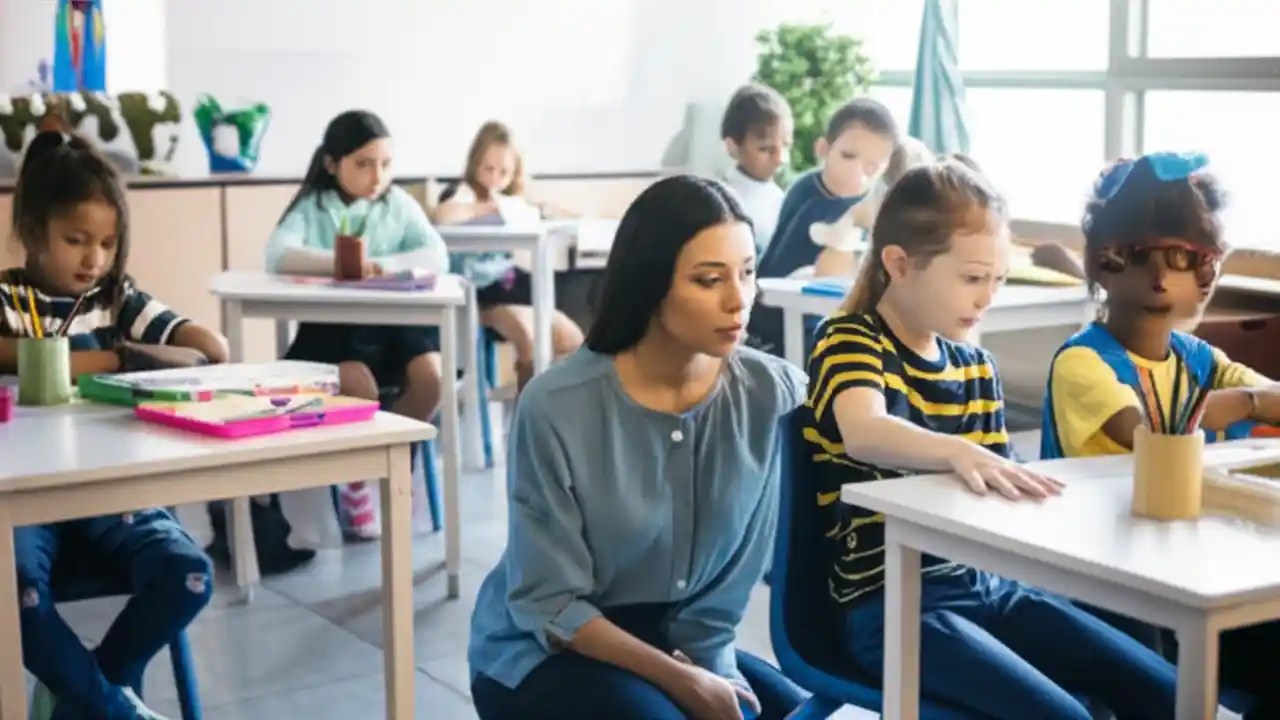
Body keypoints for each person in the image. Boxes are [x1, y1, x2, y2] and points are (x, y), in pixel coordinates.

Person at [803, 156, 1180, 718]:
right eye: (973, 278)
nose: (986, 298)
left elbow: (1004, 495)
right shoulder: (850, 339)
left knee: (1170, 692)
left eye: (997, 280)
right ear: (899, 264)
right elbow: (864, 431)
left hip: (989, 590)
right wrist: (959, 451)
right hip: (891, 606)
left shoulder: (975, 366)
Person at [468, 175, 806, 720]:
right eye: (708, 279)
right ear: (650, 284)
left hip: (690, 642)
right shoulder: (557, 405)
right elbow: (547, 603)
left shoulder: (776, 393)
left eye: (747, 272)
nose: (739, 298)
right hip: (547, 650)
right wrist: (686, 683)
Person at [1042, 151, 1280, 718]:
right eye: (1137, 255)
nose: (1158, 275)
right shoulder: (1082, 362)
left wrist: (1254, 397)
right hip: (1100, 579)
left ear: (1205, 269)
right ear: (1103, 262)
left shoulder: (1199, 358)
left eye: (1180, 258)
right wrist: (1248, 402)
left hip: (1191, 565)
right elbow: (1153, 431)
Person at [0, 130, 221, 720]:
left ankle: (82, 694)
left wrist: (185, 349)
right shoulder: (5, 298)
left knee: (190, 575)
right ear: (31, 232)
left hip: (108, 485)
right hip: (26, 494)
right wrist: (111, 359)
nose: (93, 258)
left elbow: (206, 345)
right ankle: (118, 711)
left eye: (106, 242)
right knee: (11, 596)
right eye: (75, 240)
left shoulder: (114, 296)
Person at [263, 109, 449, 541]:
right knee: (356, 386)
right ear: (333, 163)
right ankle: (359, 481)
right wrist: (343, 265)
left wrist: (382, 265)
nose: (376, 176)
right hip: (334, 330)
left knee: (431, 379)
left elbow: (435, 255)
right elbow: (277, 256)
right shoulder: (314, 207)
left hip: (396, 326)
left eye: (385, 164)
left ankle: (390, 463)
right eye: (363, 164)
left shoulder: (397, 204)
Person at [434, 120, 583, 390]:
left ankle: (554, 409)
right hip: (478, 291)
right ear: (475, 163)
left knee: (571, 339)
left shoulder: (513, 201)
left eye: (503, 173)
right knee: (529, 339)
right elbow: (442, 216)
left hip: (510, 282)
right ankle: (526, 419)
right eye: (488, 169)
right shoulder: (462, 194)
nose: (494, 179)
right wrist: (490, 207)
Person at [748, 97, 899, 356]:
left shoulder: (866, 207)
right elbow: (814, 240)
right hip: (771, 320)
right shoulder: (807, 189)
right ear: (823, 149)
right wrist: (851, 219)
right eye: (848, 156)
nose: (857, 173)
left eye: (871, 168)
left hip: (812, 323)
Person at [718, 82, 793, 255]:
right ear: (733, 146)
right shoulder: (724, 203)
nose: (780, 159)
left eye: (786, 146)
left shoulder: (782, 198)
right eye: (766, 149)